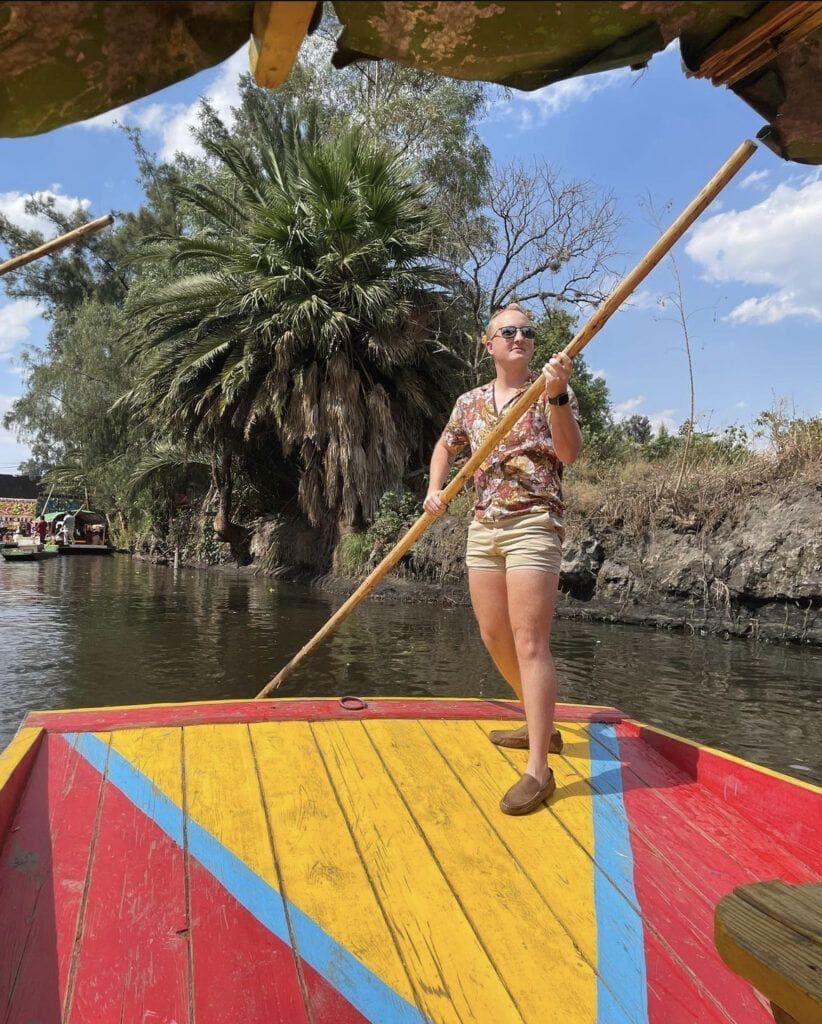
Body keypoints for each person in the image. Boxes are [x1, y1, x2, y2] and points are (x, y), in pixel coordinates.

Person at [424, 303, 582, 816]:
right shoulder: (469, 402)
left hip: (533, 521)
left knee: (530, 642)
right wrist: (434, 488)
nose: (519, 337)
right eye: (507, 331)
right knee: (494, 635)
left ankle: (539, 769)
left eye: (526, 331)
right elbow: (446, 446)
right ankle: (541, 724)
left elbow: (569, 453)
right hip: (483, 525)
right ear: (488, 344)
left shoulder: (549, 388)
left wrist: (557, 394)